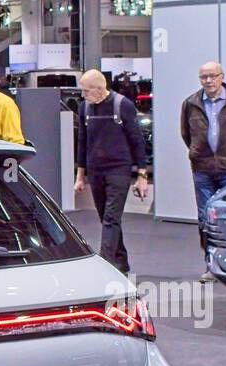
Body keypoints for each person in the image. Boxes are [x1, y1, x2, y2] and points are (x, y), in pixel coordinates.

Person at [182, 61, 226, 281]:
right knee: (205, 218)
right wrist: (198, 153)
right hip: (202, 169)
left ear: (222, 76)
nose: (208, 81)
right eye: (204, 76)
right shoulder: (190, 103)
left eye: (213, 76)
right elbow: (186, 134)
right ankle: (212, 265)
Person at [74, 69, 150, 274]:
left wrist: (142, 176)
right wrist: (80, 176)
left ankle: (105, 263)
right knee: (106, 218)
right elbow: (83, 142)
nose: (83, 95)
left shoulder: (123, 105)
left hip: (119, 170)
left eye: (87, 91)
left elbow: (137, 141)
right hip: (95, 171)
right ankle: (122, 261)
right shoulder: (84, 108)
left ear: (100, 89)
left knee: (111, 218)